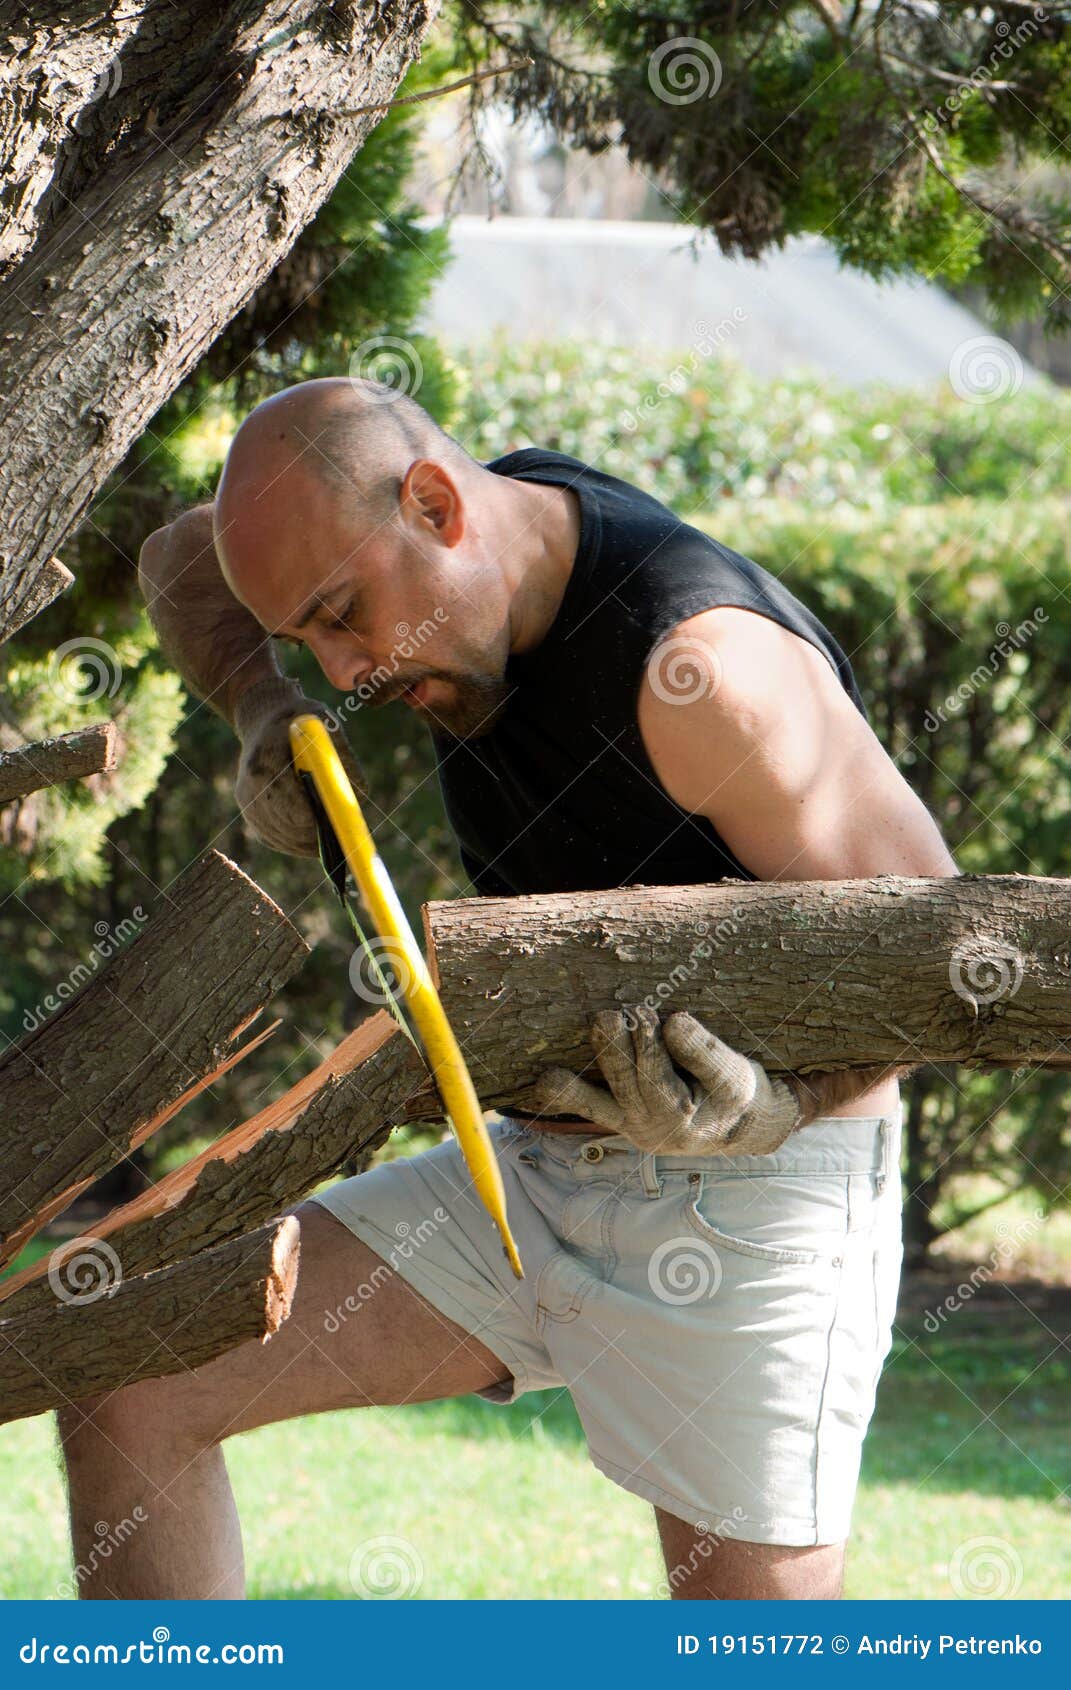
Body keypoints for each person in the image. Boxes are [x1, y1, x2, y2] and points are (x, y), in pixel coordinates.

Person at [59, 378, 956, 1600]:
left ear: (437, 504)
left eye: (341, 618)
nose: (346, 672)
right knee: (129, 1379)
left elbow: (940, 949)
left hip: (755, 1203)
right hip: (524, 1173)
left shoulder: (700, 671)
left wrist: (777, 1105)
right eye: (309, 639)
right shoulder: (457, 549)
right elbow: (180, 556)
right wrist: (262, 710)